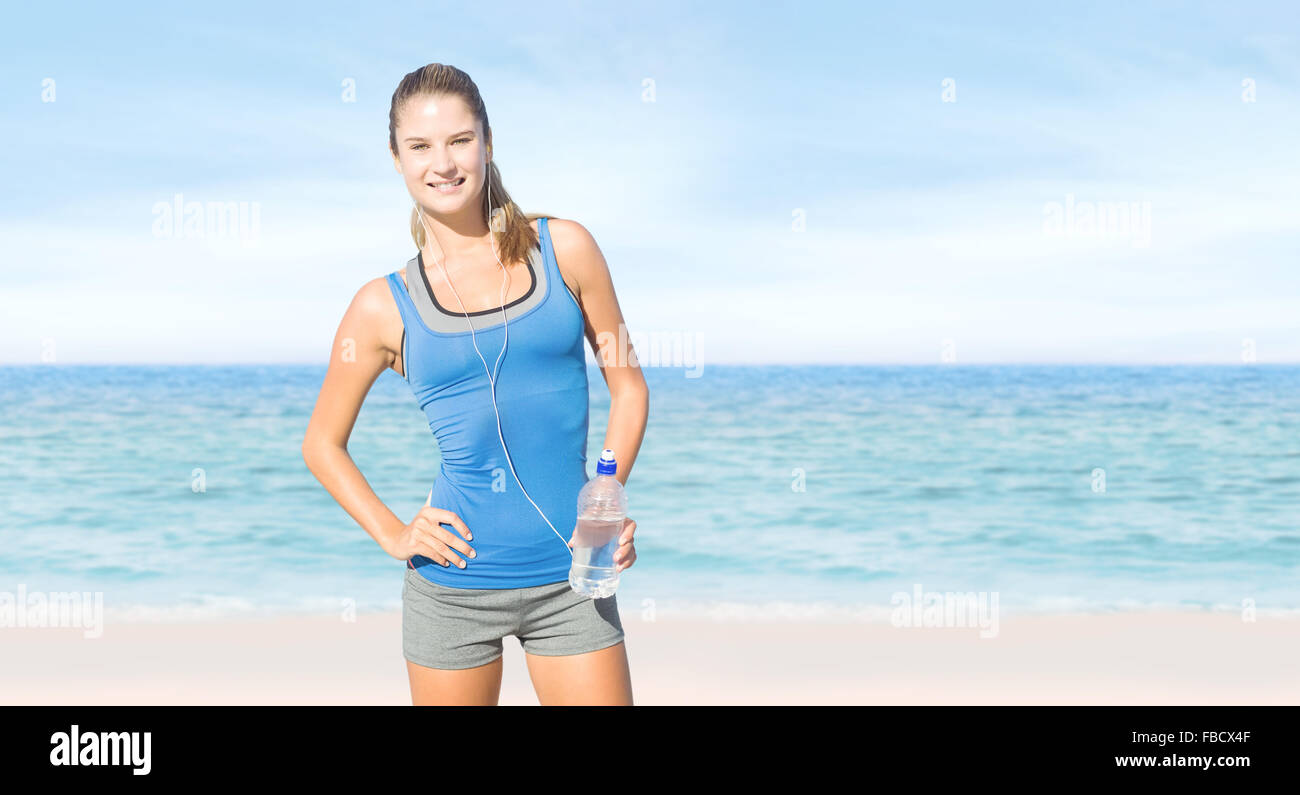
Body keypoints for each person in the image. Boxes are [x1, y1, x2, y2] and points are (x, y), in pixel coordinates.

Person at [301, 63, 649, 706]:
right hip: (453, 588)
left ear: (488, 142)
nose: (444, 162)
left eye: (460, 140)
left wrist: (606, 493)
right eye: (421, 146)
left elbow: (628, 388)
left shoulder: (565, 249)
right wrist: (393, 533)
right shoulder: (383, 305)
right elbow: (322, 443)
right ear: (396, 159)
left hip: (573, 581)